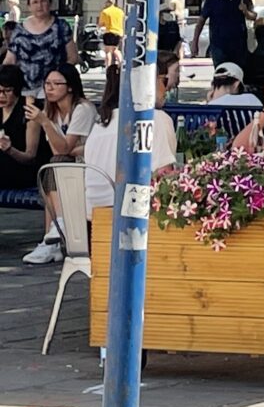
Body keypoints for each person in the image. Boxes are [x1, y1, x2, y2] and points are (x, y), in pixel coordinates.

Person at [21, 62, 96, 264]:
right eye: (47, 84)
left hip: (90, 166)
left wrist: (45, 123)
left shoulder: (82, 109)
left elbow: (63, 149)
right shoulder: (51, 111)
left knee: (56, 165)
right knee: (53, 166)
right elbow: (60, 150)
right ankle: (53, 236)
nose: (50, 88)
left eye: (56, 84)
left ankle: (56, 232)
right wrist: (51, 126)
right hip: (68, 165)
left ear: (70, 87)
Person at [83, 63, 177, 213]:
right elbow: (165, 177)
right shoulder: (156, 119)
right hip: (132, 216)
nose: (166, 88)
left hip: (92, 214)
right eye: (164, 80)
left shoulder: (100, 125)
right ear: (149, 82)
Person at [3, 0, 78, 96]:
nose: (39, 5)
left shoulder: (61, 26)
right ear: (29, 6)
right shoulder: (19, 30)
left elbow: (73, 57)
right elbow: (10, 60)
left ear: (50, 3)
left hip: (54, 89)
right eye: (35, 2)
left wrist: (58, 78)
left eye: (43, 1)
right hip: (24, 88)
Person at [193, 0, 251, 70]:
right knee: (222, 72)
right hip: (219, 45)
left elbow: (253, 16)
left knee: (238, 72)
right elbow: (201, 21)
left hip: (239, 45)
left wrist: (246, 11)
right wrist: (195, 42)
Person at [0, 63, 44, 196]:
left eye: (7, 91)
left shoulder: (28, 110)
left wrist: (10, 150)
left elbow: (30, 156)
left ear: (17, 90)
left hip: (21, 169)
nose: (1, 95)